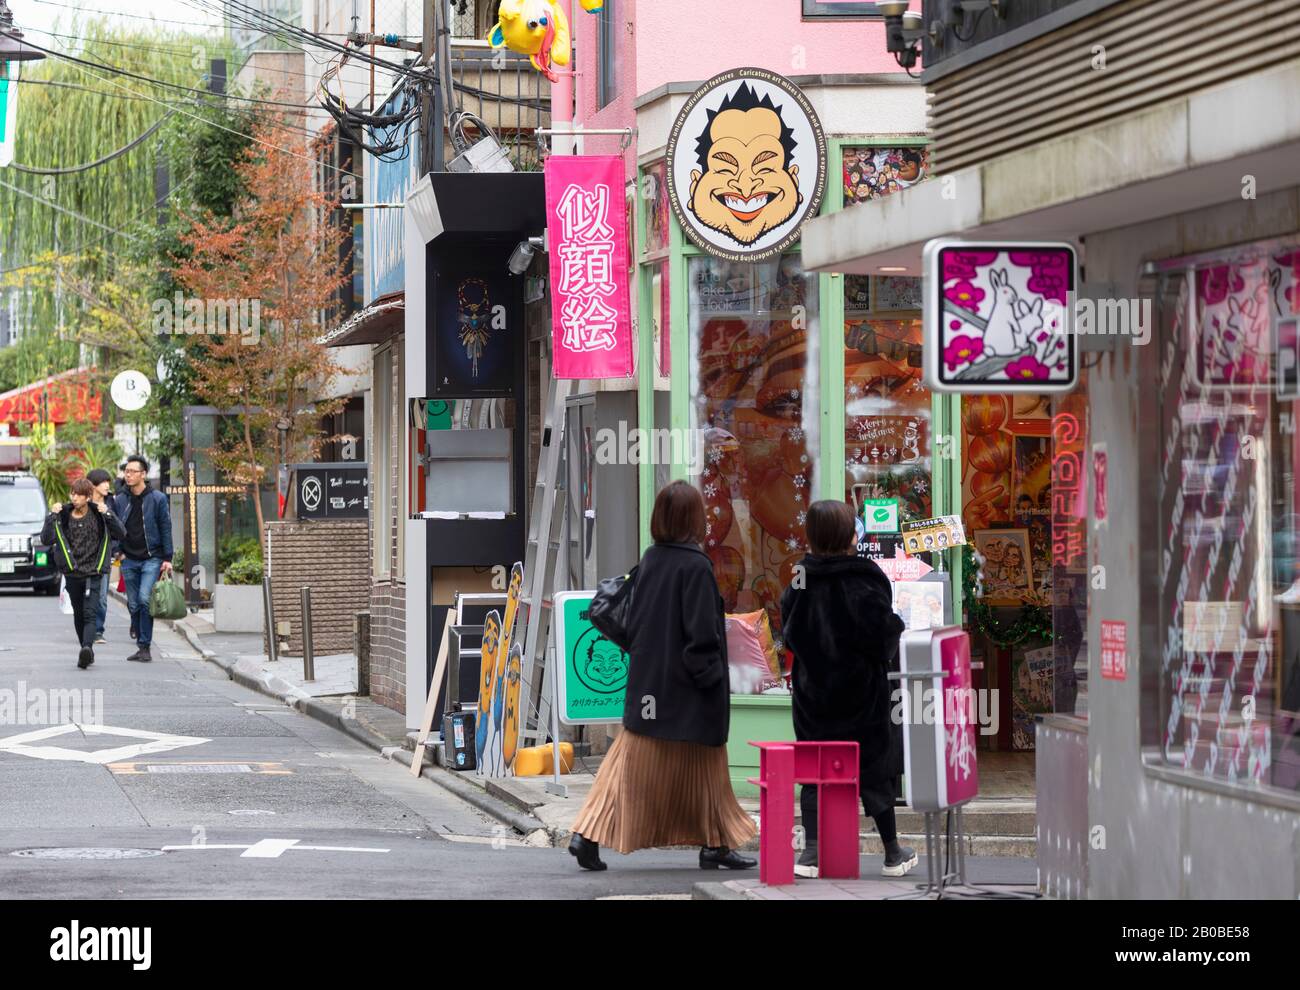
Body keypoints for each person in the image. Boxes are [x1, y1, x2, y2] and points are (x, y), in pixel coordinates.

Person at [568, 480, 757, 872]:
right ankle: (715, 844)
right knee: (708, 769)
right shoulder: (697, 566)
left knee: (627, 764)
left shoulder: (651, 559)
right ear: (694, 519)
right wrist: (712, 679)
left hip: (649, 685)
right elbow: (703, 634)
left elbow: (635, 621)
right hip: (690, 688)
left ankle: (587, 833)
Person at [780, 499, 918, 878]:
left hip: (813, 696)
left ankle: (811, 852)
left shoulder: (800, 575)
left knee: (815, 767)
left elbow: (788, 628)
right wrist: (895, 629)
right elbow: (881, 634)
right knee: (874, 768)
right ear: (849, 534)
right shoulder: (866, 574)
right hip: (862, 697)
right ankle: (892, 852)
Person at [41, 478, 126, 669]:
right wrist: (50, 516)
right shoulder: (63, 514)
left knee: (90, 613)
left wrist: (109, 514)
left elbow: (121, 534)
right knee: (79, 613)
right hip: (72, 573)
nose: (74, 497)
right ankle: (86, 650)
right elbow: (46, 539)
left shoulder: (99, 514)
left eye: (79, 494)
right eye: (72, 493)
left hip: (94, 573)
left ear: (88, 497)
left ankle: (87, 647)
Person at [111, 455, 174, 663]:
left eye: (132, 471)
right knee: (133, 605)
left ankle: (145, 646)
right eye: (126, 472)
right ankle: (140, 642)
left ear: (143, 474)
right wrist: (117, 550)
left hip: (152, 558)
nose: (128, 475)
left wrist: (168, 557)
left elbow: (165, 527)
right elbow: (116, 527)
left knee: (145, 599)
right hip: (129, 558)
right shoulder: (121, 500)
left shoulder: (157, 499)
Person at [85, 468, 115, 645]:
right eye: (104, 482)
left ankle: (97, 631)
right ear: (93, 485)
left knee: (102, 597)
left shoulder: (111, 502)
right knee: (85, 595)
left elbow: (119, 527)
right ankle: (86, 627)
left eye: (108, 482)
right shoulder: (83, 503)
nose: (107, 486)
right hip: (84, 557)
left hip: (103, 557)